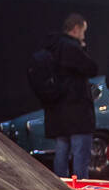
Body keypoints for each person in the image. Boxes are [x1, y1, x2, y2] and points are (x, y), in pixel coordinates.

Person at [41, 13, 99, 179]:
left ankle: (62, 188)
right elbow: (92, 68)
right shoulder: (72, 47)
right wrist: (83, 48)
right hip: (77, 111)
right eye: (83, 31)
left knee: (61, 152)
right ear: (76, 29)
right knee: (81, 155)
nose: (83, 35)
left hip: (57, 111)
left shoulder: (52, 48)